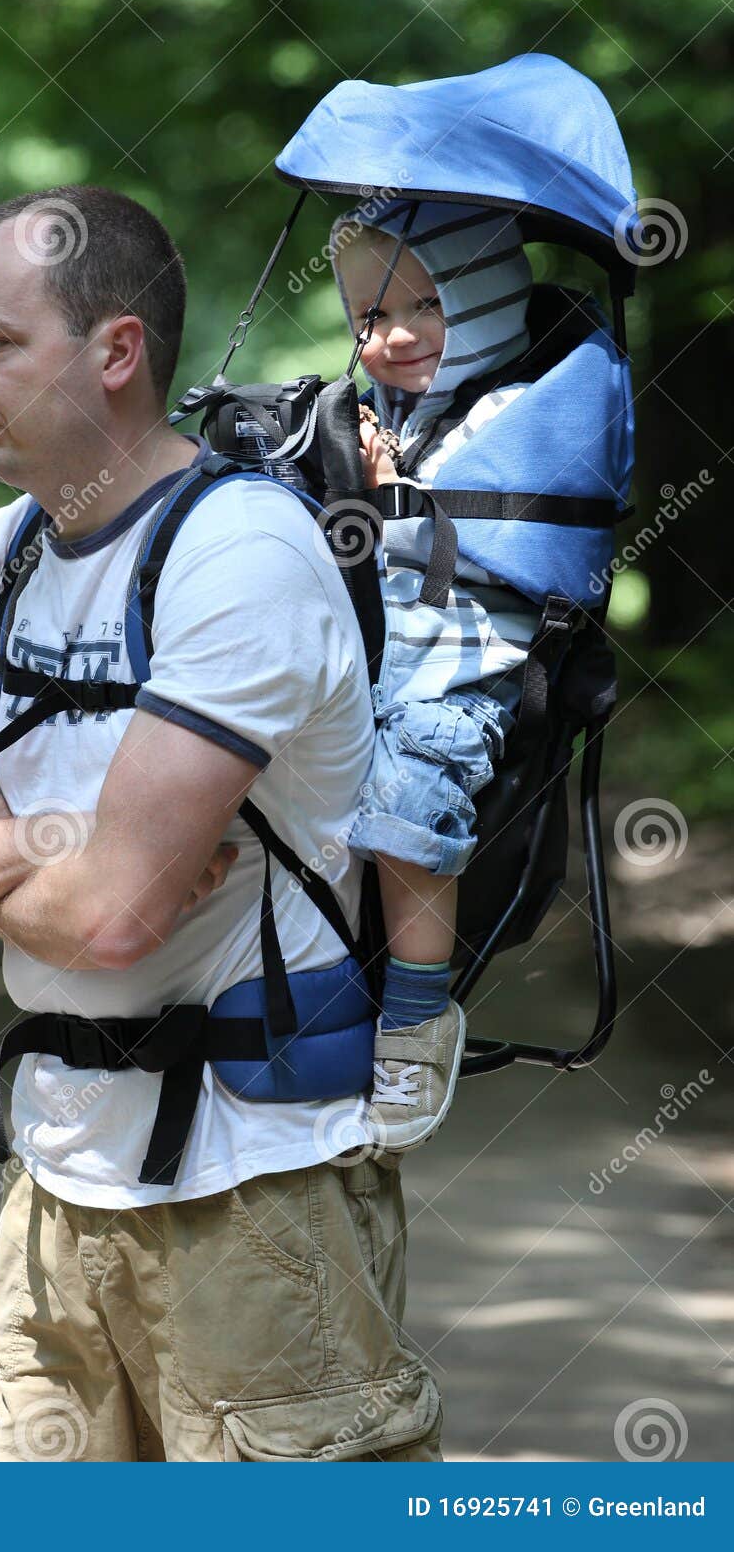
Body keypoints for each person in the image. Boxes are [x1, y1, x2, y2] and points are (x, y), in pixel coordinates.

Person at [0, 185, 443, 1463]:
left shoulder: (241, 554)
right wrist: (50, 846)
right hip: (52, 1192)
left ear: (116, 352)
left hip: (257, 1199)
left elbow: (113, 922)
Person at [332, 199, 539, 1151]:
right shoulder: (387, 413)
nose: (396, 334)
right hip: (370, 654)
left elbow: (503, 534)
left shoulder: (512, 410)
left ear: (493, 300)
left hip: (458, 670)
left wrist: (388, 498)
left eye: (428, 304)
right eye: (370, 317)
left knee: (410, 795)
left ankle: (416, 1019)